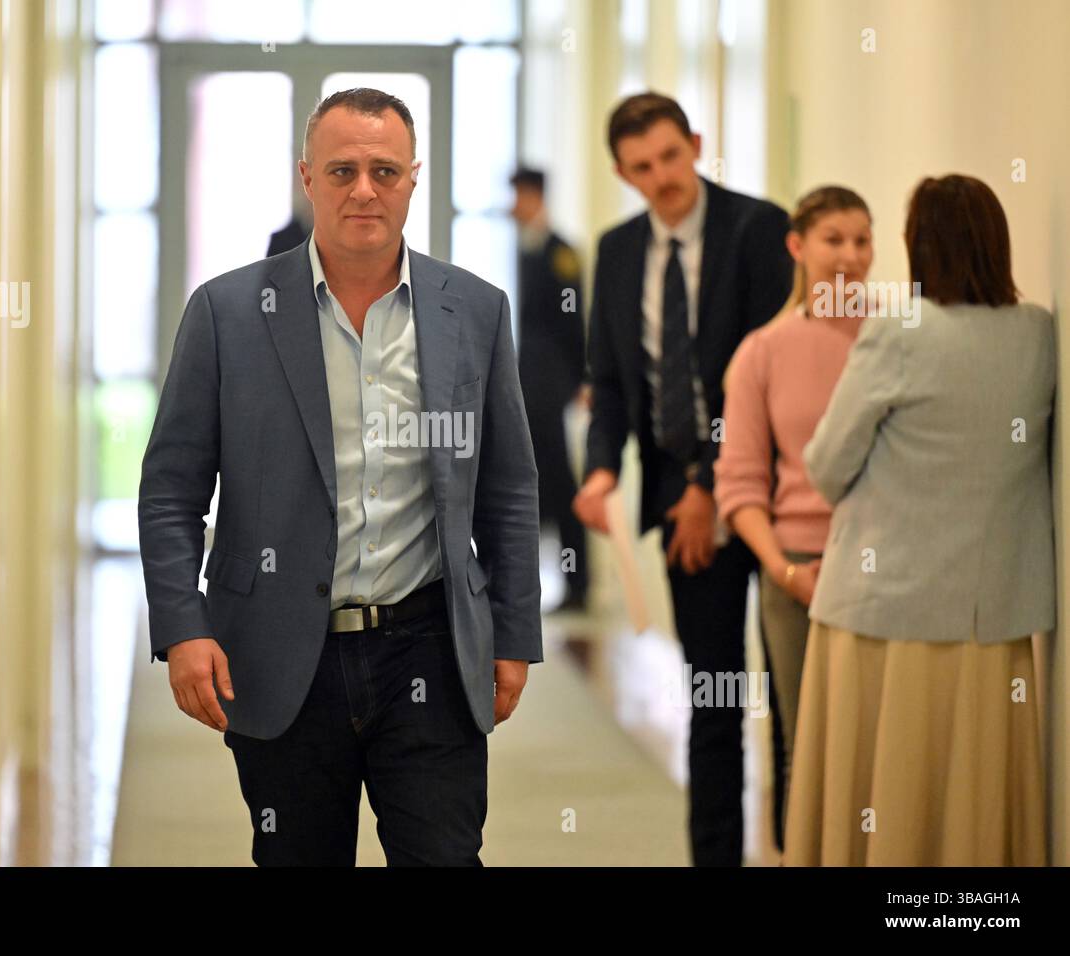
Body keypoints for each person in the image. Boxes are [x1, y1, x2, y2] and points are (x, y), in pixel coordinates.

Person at [138, 88, 543, 866]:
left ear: (413, 179)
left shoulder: (476, 313)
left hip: (427, 648)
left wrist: (516, 632)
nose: (365, 189)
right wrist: (183, 627)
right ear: (307, 177)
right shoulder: (227, 312)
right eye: (344, 169)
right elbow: (170, 490)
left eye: (385, 170)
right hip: (282, 653)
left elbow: (508, 489)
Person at [786, 174, 1055, 866]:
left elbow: (826, 465)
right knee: (971, 802)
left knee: (882, 794)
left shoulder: (900, 331)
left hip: (885, 610)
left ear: (917, 246)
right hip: (991, 617)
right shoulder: (1039, 334)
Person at [573, 92, 792, 866]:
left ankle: (799, 848)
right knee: (715, 694)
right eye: (642, 166)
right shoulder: (620, 249)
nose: (662, 177)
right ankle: (717, 858)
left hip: (778, 491)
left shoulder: (759, 229)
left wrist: (710, 483)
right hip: (677, 500)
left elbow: (764, 376)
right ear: (622, 172)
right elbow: (610, 382)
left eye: (670, 156)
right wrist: (601, 471)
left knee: (791, 690)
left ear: (694, 144)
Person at [713, 185, 873, 852]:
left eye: (862, 240)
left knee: (873, 744)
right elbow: (741, 484)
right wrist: (782, 568)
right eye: (834, 239)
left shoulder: (894, 336)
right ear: (798, 247)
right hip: (797, 574)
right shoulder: (763, 350)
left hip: (885, 569)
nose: (850, 256)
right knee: (802, 741)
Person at [509, 166, 590, 610]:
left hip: (551, 385)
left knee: (559, 484)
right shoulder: (527, 248)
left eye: (519, 196)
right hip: (528, 384)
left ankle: (578, 584)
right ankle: (531, 583)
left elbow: (572, 319)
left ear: (535, 196)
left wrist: (580, 378)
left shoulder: (560, 253)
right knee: (535, 484)